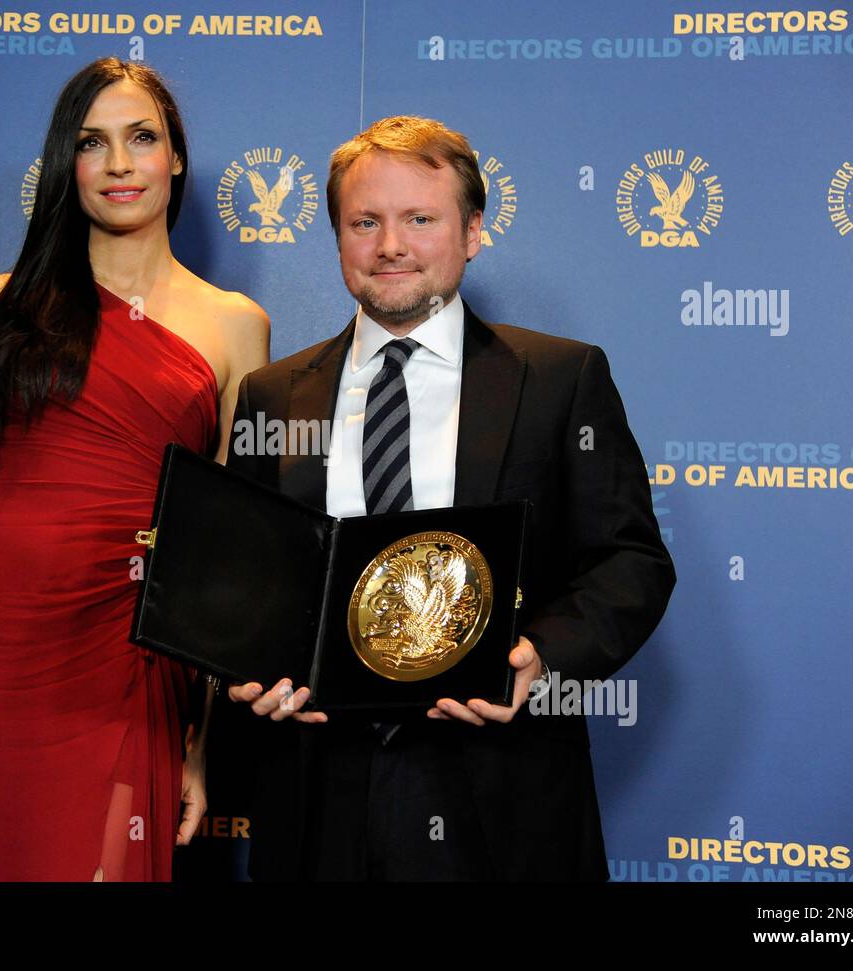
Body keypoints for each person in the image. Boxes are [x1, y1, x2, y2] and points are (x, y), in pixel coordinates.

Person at [224, 116, 674, 880]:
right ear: (337, 238)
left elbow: (630, 562)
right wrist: (246, 663)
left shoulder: (561, 378)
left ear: (471, 232)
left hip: (502, 789)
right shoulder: (273, 395)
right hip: (317, 791)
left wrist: (543, 661)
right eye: (364, 221)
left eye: (419, 219)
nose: (390, 244)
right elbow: (244, 580)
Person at [0, 57, 270, 881]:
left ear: (176, 157)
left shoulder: (237, 327)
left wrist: (200, 741)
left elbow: (220, 558)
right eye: (93, 142)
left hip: (127, 655)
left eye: (142, 138)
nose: (119, 164)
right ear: (67, 164)